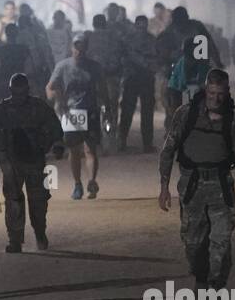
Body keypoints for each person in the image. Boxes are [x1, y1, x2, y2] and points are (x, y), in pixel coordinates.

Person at [158, 69, 235, 289]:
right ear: (206, 91)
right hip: (192, 186)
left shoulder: (232, 122)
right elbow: (168, 150)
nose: (216, 99)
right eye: (212, 93)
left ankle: (216, 284)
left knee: (221, 242)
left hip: (221, 187)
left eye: (220, 94)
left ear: (227, 93)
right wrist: (164, 187)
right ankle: (202, 278)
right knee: (193, 243)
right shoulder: (186, 114)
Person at [0, 73, 64, 251]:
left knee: (38, 202)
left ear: (28, 90)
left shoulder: (38, 107)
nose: (20, 96)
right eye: (17, 92)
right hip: (12, 163)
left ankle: (40, 232)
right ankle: (15, 240)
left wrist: (57, 144)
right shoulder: (1, 110)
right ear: (10, 90)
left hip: (35, 161)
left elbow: (54, 127)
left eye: (23, 92)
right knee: (14, 202)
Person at [47, 34, 106, 200]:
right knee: (74, 150)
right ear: (71, 48)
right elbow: (50, 88)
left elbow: (103, 88)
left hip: (91, 110)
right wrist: (58, 100)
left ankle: (92, 181)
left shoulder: (94, 67)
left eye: (82, 47)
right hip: (71, 112)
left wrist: (107, 107)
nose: (79, 50)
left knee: (90, 148)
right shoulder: (63, 66)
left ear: (86, 48)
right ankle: (77, 184)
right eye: (76, 46)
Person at [118, 14, 159, 153]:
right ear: (136, 25)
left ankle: (146, 143)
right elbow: (122, 58)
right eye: (139, 25)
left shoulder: (151, 40)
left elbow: (156, 58)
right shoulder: (128, 39)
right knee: (128, 111)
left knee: (146, 112)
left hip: (144, 79)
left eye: (143, 25)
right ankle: (122, 141)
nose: (141, 28)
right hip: (133, 78)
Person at [90, 12, 125, 153]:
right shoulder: (115, 38)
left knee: (93, 109)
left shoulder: (88, 38)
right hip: (111, 78)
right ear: (105, 23)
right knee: (110, 109)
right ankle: (110, 140)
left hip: (92, 80)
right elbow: (120, 58)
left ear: (93, 24)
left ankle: (95, 140)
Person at [168, 35, 212, 104]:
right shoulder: (183, 62)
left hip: (194, 89)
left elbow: (206, 74)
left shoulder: (201, 61)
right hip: (178, 90)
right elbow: (182, 83)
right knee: (185, 108)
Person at [0, 22, 33, 99]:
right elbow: (29, 68)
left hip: (3, 84)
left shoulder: (0, 50)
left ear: (6, 33)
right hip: (20, 84)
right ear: (17, 33)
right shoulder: (24, 49)